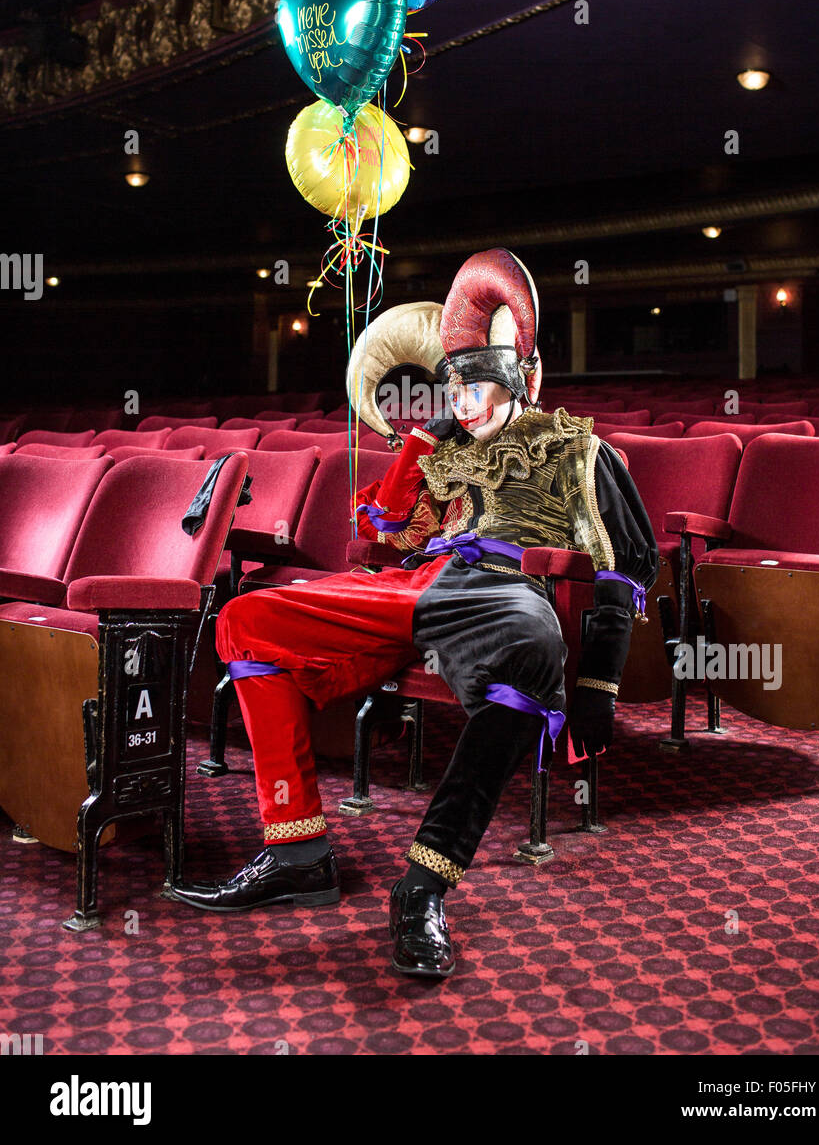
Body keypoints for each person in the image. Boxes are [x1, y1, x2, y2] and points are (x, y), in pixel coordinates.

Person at [172, 248, 658, 978]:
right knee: (247, 618)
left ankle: (424, 885)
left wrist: (599, 688)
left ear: (525, 380)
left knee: (532, 651)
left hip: (503, 592)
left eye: (479, 385)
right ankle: (295, 847)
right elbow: (384, 533)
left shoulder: (580, 450)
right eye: (453, 386)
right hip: (419, 583)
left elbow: (625, 567)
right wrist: (425, 438)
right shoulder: (445, 445)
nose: (464, 399)